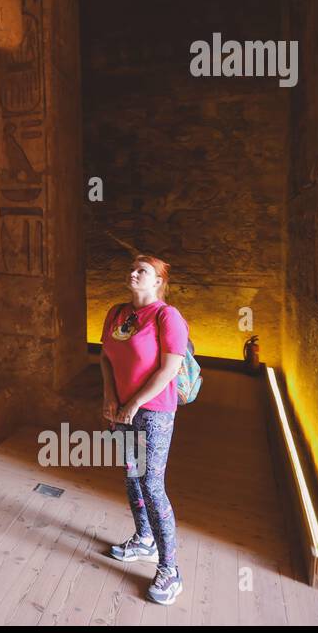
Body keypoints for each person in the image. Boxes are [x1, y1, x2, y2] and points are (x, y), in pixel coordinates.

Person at [100, 255, 189, 605]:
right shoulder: (117, 313)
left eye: (143, 271)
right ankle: (144, 539)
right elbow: (106, 357)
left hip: (153, 411)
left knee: (151, 484)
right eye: (133, 268)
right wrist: (110, 397)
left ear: (157, 282)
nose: (133, 273)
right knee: (131, 475)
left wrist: (134, 404)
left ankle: (170, 569)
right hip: (121, 407)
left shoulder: (167, 317)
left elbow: (169, 369)